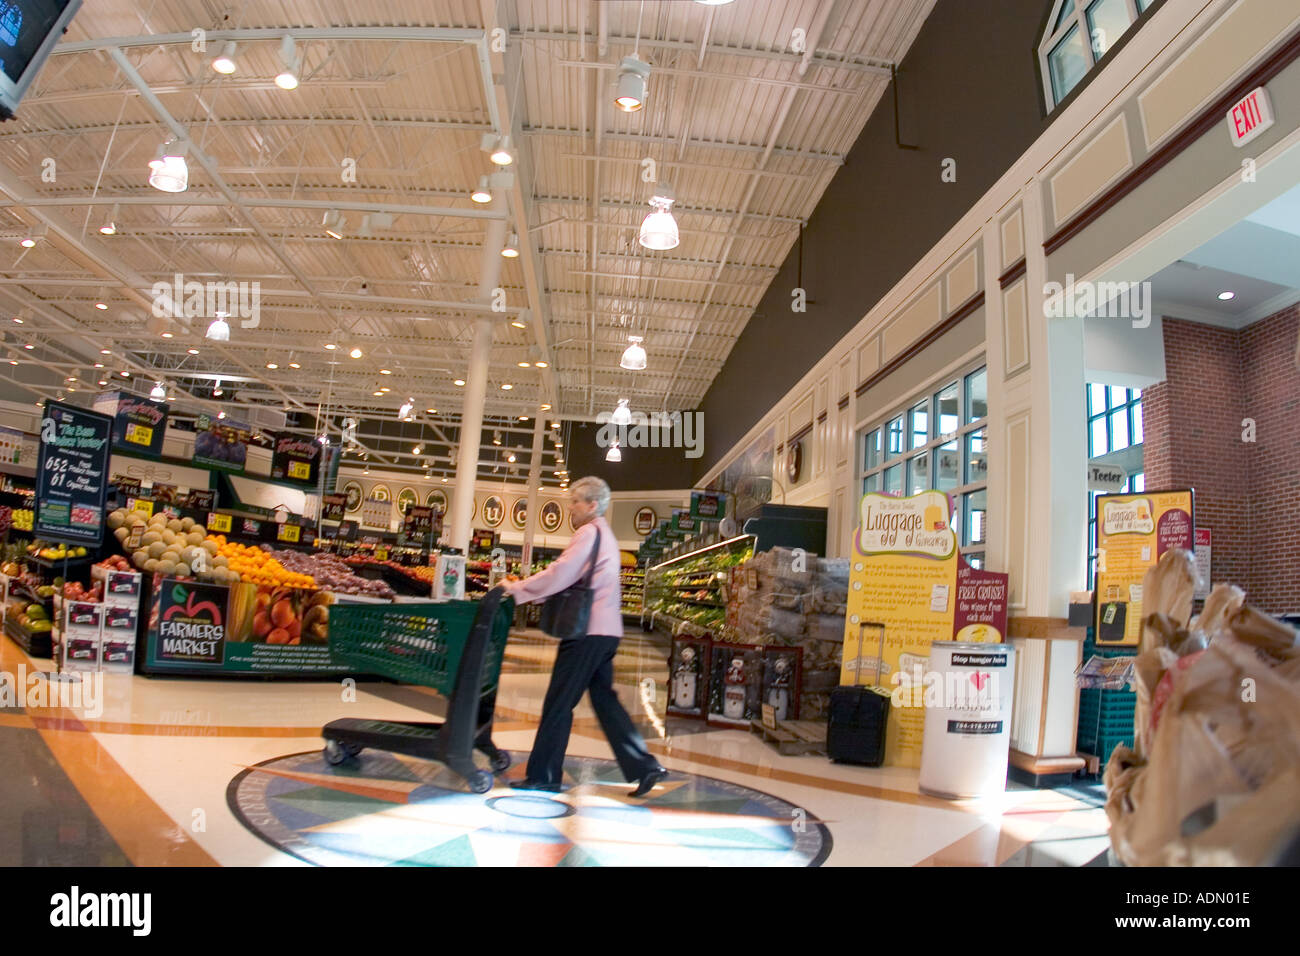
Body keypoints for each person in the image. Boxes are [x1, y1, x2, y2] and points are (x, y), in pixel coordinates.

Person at [500, 475, 668, 797]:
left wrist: (517, 590)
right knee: (605, 702)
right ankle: (645, 766)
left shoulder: (587, 533)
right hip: (606, 633)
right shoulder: (607, 535)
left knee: (558, 703)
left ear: (592, 505)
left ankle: (545, 775)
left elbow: (560, 573)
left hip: (586, 631)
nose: (571, 509)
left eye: (575, 502)